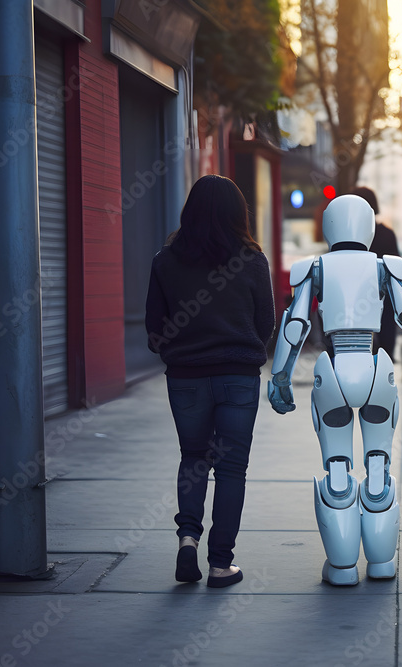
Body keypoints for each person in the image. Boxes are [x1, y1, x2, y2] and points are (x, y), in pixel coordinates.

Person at [266, 194, 402, 585]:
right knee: (378, 466)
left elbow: (295, 325)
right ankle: (381, 562)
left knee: (338, 469)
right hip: (375, 367)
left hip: (334, 372)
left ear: (329, 226)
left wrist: (280, 376)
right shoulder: (384, 266)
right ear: (369, 227)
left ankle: (343, 566)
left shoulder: (314, 267)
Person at [145, 174, 276, 588]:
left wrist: (179, 351)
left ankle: (187, 539)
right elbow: (266, 324)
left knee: (193, 458)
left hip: (186, 378)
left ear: (190, 211)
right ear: (239, 213)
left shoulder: (164, 261)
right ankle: (221, 565)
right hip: (238, 377)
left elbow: (153, 329)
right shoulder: (253, 261)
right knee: (232, 470)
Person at [352, 186, 399, 359]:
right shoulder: (387, 234)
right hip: (382, 292)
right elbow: (394, 267)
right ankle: (385, 361)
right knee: (387, 327)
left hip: (356, 295)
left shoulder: (351, 235)